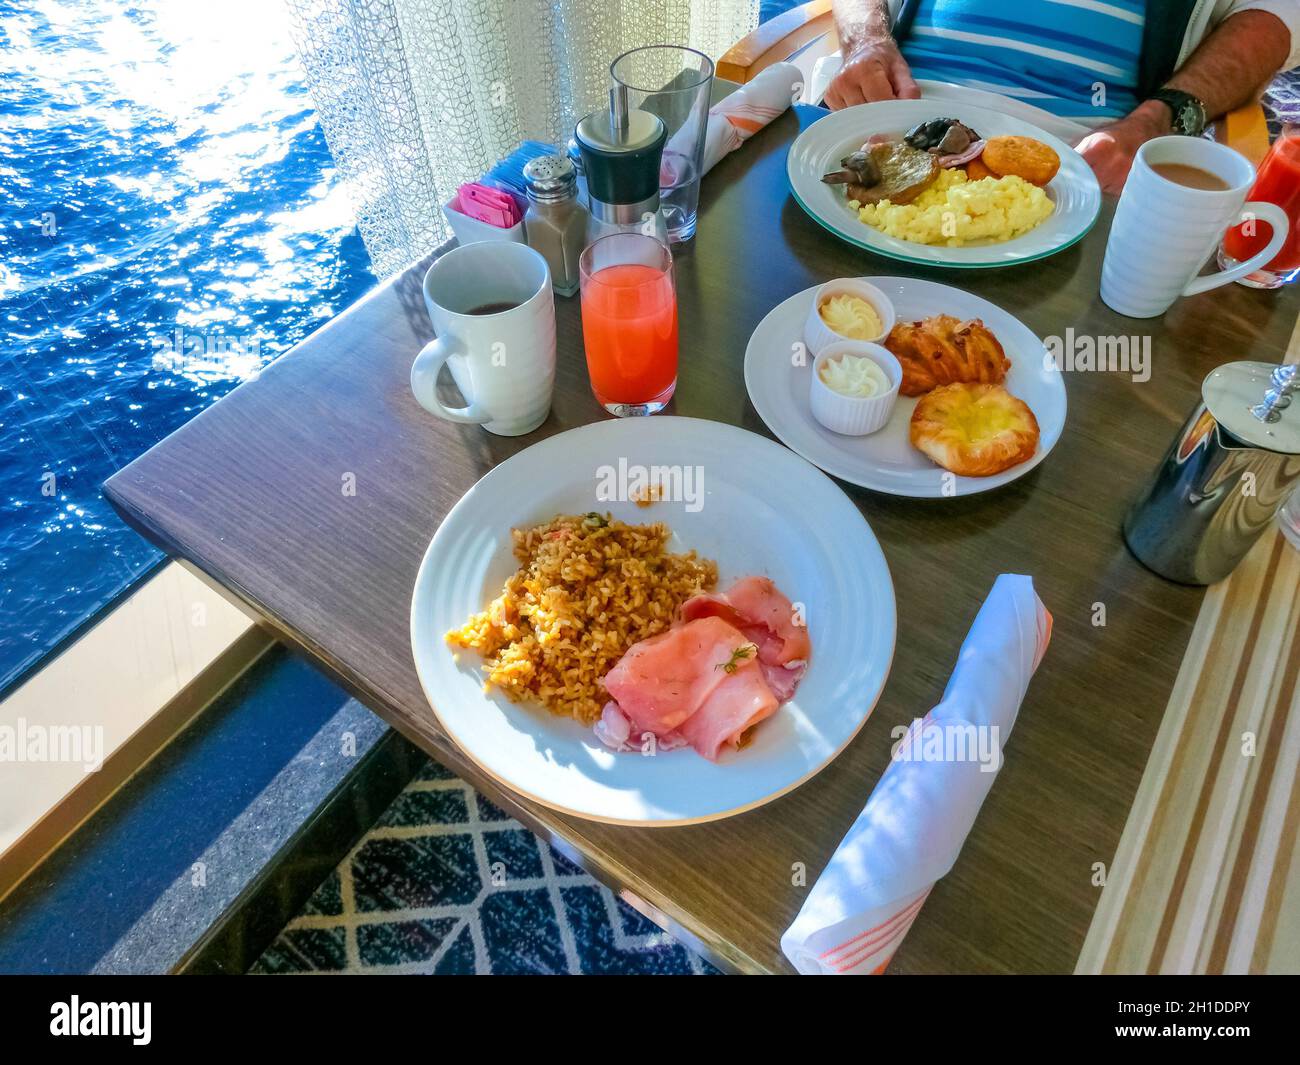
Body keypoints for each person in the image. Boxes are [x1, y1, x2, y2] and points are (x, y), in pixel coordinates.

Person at [824, 0, 1300, 192]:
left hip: (1075, 162)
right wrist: (866, 41)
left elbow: (1269, 20)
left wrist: (1155, 122)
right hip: (886, 123)